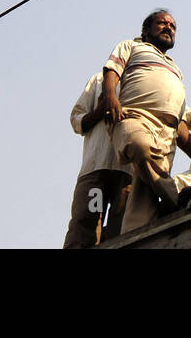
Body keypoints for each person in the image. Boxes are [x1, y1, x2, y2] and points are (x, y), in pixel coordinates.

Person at [101, 10, 191, 233]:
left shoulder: (176, 69)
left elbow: (180, 123)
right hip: (136, 117)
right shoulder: (131, 46)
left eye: (173, 26)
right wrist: (111, 97)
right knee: (140, 148)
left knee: (145, 198)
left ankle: (135, 237)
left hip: (167, 133)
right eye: (162, 23)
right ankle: (177, 199)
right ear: (146, 30)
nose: (168, 28)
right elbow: (111, 71)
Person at [63, 71, 132, 248]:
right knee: (88, 226)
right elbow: (77, 120)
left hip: (128, 173)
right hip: (97, 169)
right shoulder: (100, 80)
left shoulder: (145, 78)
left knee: (122, 230)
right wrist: (100, 111)